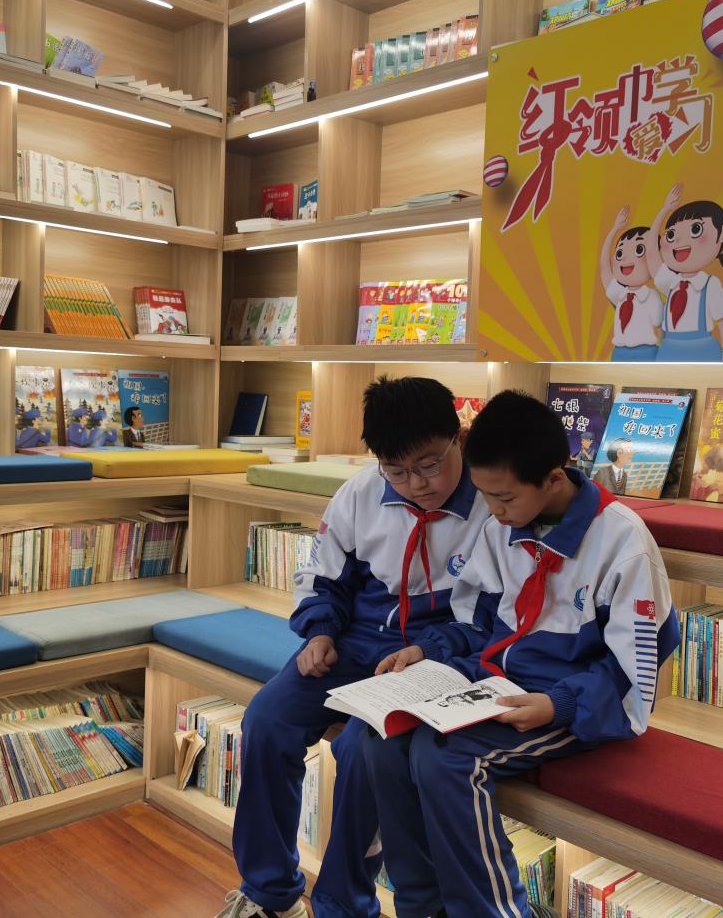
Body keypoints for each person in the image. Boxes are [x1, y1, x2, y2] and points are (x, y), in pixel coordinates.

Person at [363, 391, 680, 918]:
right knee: (383, 739)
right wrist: (429, 650)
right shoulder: (502, 526)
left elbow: (634, 673)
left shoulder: (622, 540)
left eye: (505, 499)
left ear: (554, 478)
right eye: (485, 496)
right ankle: (421, 905)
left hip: (572, 701)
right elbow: (479, 624)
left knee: (445, 760)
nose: (493, 511)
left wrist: (557, 705)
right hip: (495, 683)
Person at [217, 377, 490, 918]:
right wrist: (320, 632)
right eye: (397, 469)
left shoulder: (490, 505)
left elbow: (487, 617)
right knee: (267, 721)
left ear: (457, 435)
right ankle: (271, 893)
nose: (416, 483)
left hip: (431, 657)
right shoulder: (362, 493)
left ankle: (344, 904)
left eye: (430, 464)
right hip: (354, 644)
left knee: (361, 752)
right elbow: (325, 579)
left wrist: (429, 651)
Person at [652, 188, 723, 363]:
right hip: (669, 350)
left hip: (702, 351)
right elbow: (651, 255)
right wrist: (664, 210)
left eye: (695, 229)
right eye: (671, 235)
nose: (678, 241)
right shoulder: (671, 282)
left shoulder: (710, 284)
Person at [597, 194, 679, 362]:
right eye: (620, 254)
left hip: (647, 352)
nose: (626, 259)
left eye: (639, 251)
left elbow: (660, 323)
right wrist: (615, 229)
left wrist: (664, 210)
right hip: (619, 352)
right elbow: (604, 267)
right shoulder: (620, 293)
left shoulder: (652, 296)